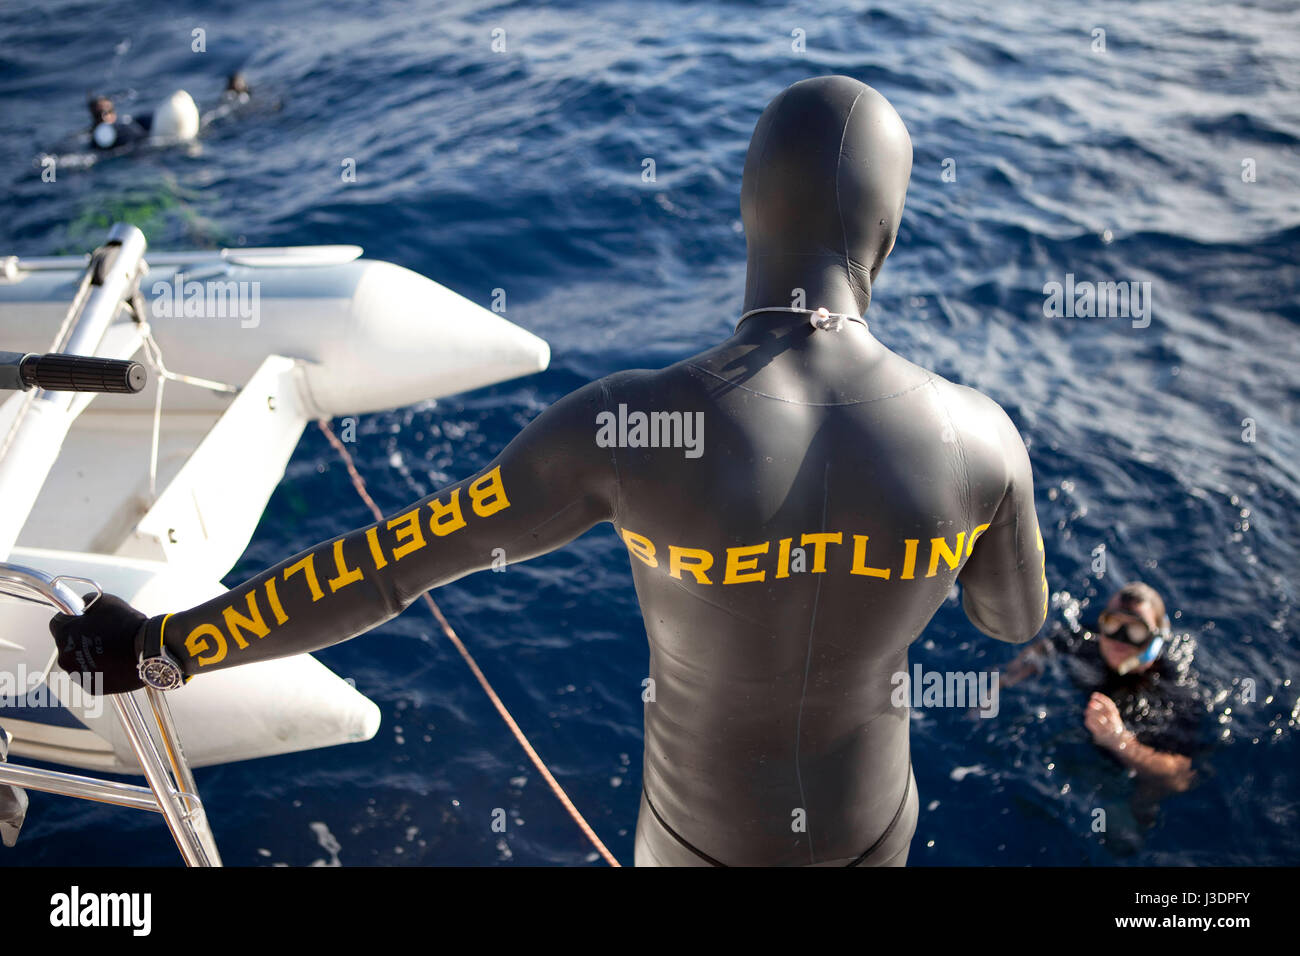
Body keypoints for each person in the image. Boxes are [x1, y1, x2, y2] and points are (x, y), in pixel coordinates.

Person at [49, 75, 1049, 866]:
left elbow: (392, 564)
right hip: (876, 833)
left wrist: (164, 645)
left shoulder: (632, 426)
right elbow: (1011, 619)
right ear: (888, 228)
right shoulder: (983, 439)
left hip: (698, 844)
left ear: (752, 213)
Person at [1002, 582, 1202, 793]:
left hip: (1123, 779)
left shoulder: (1173, 689)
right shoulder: (1087, 641)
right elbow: (1040, 651)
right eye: (1113, 623)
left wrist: (1119, 740)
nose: (1120, 640)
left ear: (1154, 639)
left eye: (1135, 630)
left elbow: (1181, 777)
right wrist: (998, 685)